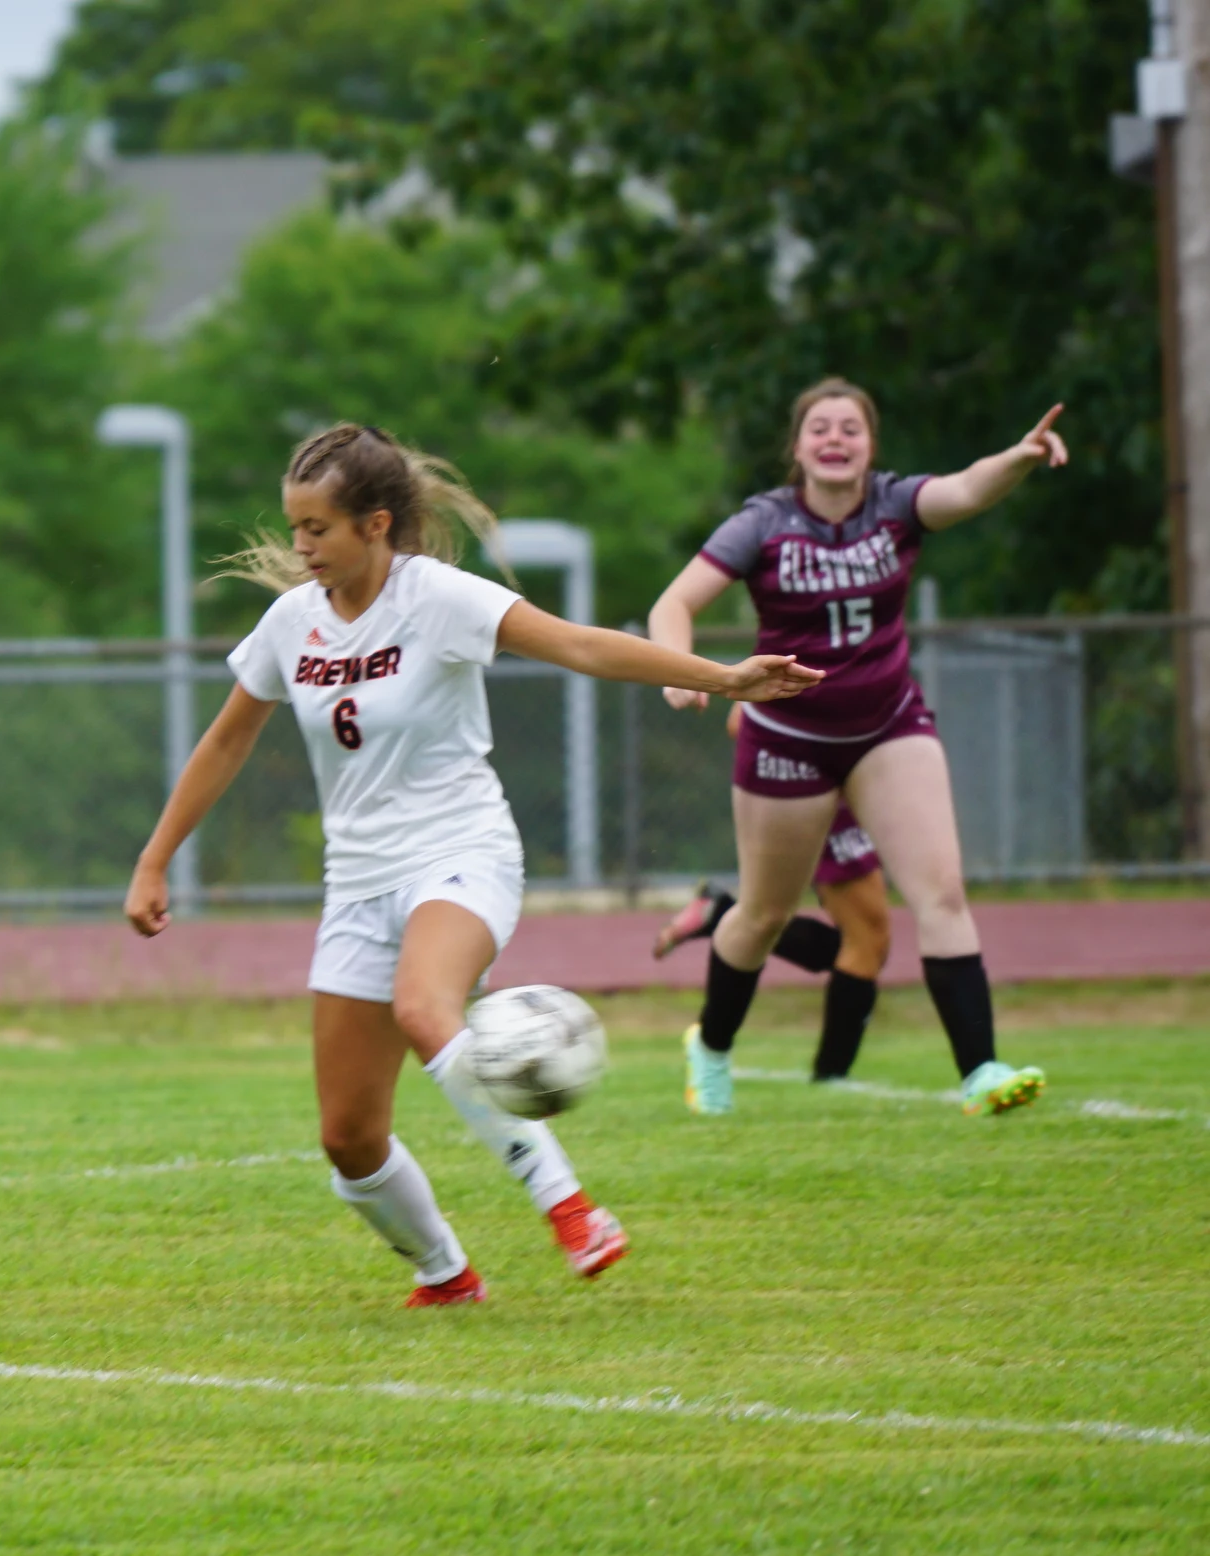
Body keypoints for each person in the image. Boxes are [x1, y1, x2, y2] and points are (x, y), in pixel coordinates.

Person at [123, 423, 821, 1307]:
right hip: (357, 883)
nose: (301, 547)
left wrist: (722, 676)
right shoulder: (289, 623)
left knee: (426, 1006)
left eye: (318, 529)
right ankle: (444, 1272)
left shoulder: (440, 598)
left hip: (461, 851)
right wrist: (154, 860)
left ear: (376, 525)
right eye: (295, 527)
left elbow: (581, 644)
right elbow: (227, 740)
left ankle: (567, 1204)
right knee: (348, 1139)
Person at [650, 378, 1060, 1117]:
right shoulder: (764, 523)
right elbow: (673, 603)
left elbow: (966, 490)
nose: (835, 439)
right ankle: (710, 1047)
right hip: (788, 737)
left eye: (850, 428)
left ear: (872, 445)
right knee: (764, 914)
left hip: (887, 725)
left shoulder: (897, 504)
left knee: (940, 893)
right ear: (798, 447)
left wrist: (1022, 457)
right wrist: (685, 671)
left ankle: (981, 1071)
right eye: (820, 428)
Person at [651, 705, 892, 1081]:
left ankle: (722, 912)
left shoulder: (872, 651)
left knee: (862, 943)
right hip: (826, 795)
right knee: (866, 941)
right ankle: (830, 1075)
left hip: (849, 793)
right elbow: (740, 719)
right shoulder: (815, 649)